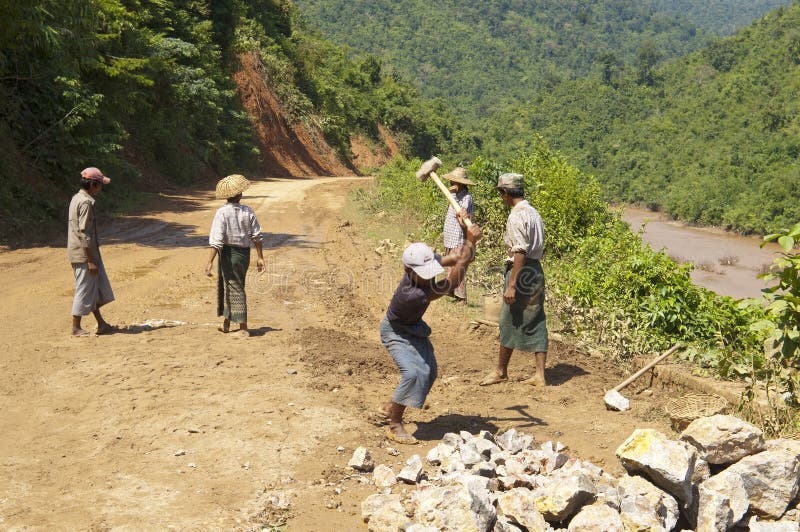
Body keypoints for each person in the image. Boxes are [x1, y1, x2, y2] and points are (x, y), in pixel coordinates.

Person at [380, 212, 482, 444]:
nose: (428, 278)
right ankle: (394, 425)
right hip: (396, 331)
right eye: (423, 275)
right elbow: (453, 283)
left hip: (414, 327)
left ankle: (393, 405)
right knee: (413, 373)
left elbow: (459, 257)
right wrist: (470, 241)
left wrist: (466, 233)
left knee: (430, 371)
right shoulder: (412, 294)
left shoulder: (422, 264)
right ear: (408, 271)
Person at [480, 172, 549, 387]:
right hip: (535, 270)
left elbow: (519, 251)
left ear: (505, 193)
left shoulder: (516, 215)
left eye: (501, 193)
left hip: (521, 271)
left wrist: (512, 285)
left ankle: (501, 371)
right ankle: (540, 375)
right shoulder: (534, 213)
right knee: (537, 318)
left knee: (507, 319)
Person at [205, 174, 265, 338]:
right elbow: (257, 237)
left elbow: (217, 239)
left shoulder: (222, 213)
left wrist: (210, 261)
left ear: (226, 196)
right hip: (244, 254)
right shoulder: (248, 211)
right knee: (232, 286)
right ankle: (226, 323)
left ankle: (243, 327)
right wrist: (260, 257)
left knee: (235, 287)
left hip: (229, 254)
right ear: (240, 194)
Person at [68, 167, 116, 337]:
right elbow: (84, 233)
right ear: (92, 184)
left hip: (81, 251)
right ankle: (76, 328)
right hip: (84, 254)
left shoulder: (77, 198)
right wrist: (89, 260)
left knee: (92, 287)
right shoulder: (86, 203)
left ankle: (101, 324)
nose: (101, 188)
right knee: (84, 288)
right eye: (100, 184)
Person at [441, 167, 475, 303]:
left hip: (459, 237)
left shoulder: (466, 197)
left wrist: (453, 194)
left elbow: (460, 212)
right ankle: (452, 292)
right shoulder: (455, 195)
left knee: (458, 267)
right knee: (451, 265)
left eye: (453, 182)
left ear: (460, 183)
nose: (451, 184)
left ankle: (462, 297)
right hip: (450, 236)